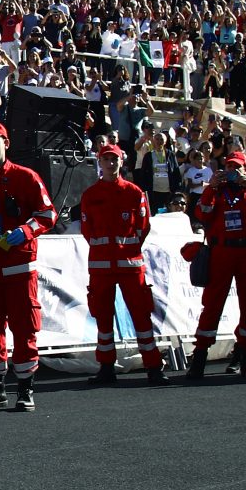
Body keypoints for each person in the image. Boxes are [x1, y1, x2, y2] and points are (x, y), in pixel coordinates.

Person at [0, 122, 57, 412]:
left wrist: (25, 231)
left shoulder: (26, 177)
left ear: (6, 143)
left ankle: (26, 389)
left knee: (24, 326)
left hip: (18, 266)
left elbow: (47, 214)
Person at [79, 145, 170, 385]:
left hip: (130, 266)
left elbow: (143, 226)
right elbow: (87, 231)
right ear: (99, 162)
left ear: (121, 162)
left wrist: (126, 249)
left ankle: (153, 368)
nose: (111, 164)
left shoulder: (134, 192)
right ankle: (106, 368)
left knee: (141, 316)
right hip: (100, 267)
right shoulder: (90, 195)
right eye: (106, 159)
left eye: (114, 159)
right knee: (103, 318)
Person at [186, 150, 246, 380]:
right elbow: (201, 214)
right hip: (221, 251)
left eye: (238, 168)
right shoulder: (216, 190)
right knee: (212, 305)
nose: (233, 172)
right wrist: (211, 187)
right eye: (230, 168)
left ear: (245, 169)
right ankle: (199, 359)